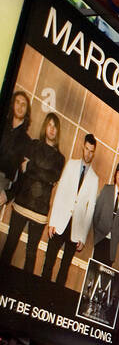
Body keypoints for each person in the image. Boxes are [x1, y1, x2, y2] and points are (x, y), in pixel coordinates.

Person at [0, 113, 66, 274]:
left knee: (31, 253)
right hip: (21, 203)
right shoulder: (33, 145)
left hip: (40, 211)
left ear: (58, 131)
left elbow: (52, 177)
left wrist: (31, 167)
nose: (52, 129)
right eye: (49, 125)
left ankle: (25, 295)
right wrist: (40, 173)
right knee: (10, 244)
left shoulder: (60, 158)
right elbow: (24, 172)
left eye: (55, 126)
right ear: (45, 127)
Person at [43, 133, 99, 286]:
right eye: (86, 149)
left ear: (94, 152)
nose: (88, 153)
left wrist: (82, 236)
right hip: (60, 222)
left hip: (75, 230)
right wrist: (52, 221)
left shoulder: (94, 179)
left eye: (91, 151)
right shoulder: (71, 164)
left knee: (64, 268)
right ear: (83, 147)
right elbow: (60, 192)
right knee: (48, 261)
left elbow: (90, 211)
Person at [90, 161, 119, 268]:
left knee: (104, 276)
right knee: (93, 272)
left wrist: (116, 237)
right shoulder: (106, 190)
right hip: (100, 240)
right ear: (115, 174)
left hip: (112, 246)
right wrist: (98, 232)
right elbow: (96, 213)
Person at [0, 90, 31, 208]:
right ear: (12, 104)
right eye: (17, 102)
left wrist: (8, 194)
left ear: (27, 110)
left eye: (24, 104)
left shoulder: (27, 142)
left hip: (2, 182)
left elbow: (23, 177)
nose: (20, 106)